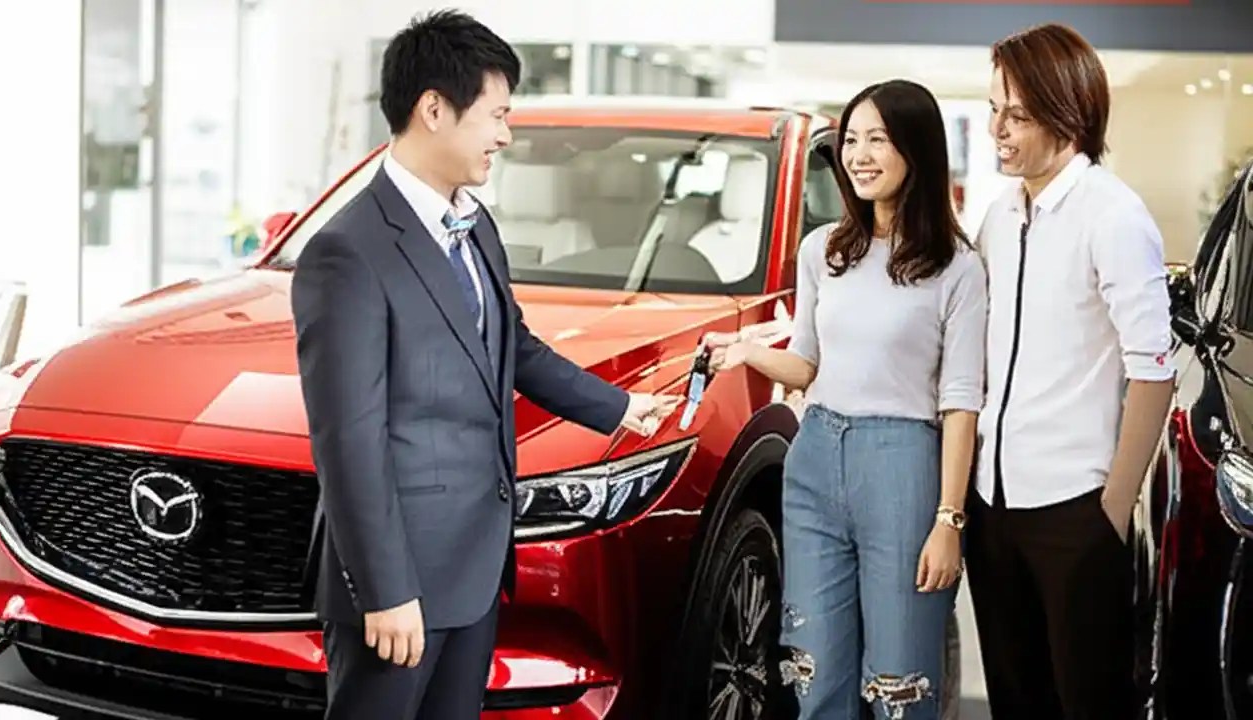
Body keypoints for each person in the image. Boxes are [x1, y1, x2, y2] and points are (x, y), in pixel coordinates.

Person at [289, 10, 680, 720]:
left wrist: (620, 407)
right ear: (433, 109)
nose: (505, 133)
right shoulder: (348, 251)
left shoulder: (474, 224)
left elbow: (513, 347)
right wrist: (383, 590)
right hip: (399, 581)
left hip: (472, 568)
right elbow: (348, 439)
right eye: (496, 115)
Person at [705, 79, 986, 720]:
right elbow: (806, 365)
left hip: (904, 467)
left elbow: (961, 402)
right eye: (852, 141)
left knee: (898, 676)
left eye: (877, 140)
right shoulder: (823, 250)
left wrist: (949, 520)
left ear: (916, 149)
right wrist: (748, 352)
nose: (858, 155)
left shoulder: (957, 268)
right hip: (815, 460)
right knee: (812, 666)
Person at [964, 23, 1175, 720]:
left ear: (1068, 114)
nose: (997, 128)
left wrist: (1111, 511)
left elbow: (1154, 370)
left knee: (1087, 703)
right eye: (994, 107)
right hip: (994, 508)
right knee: (1015, 701)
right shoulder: (1000, 214)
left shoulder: (1113, 217)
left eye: (1016, 115)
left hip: (1074, 514)